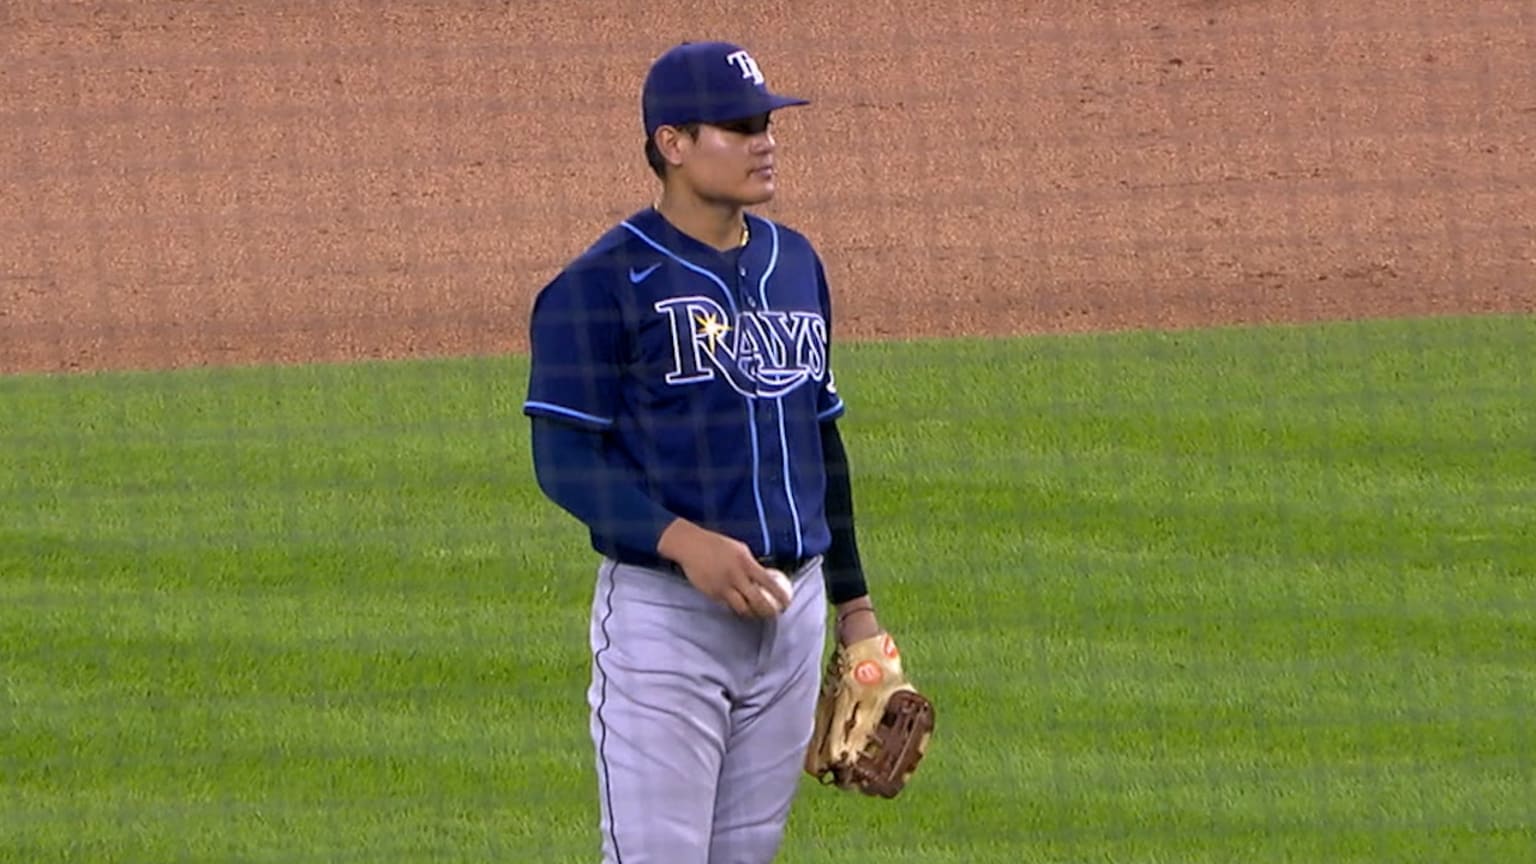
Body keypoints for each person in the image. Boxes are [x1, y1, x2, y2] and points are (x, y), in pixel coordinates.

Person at [523, 40, 885, 864]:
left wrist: (855, 609)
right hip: (667, 624)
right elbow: (562, 458)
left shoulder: (796, 264)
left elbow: (819, 438)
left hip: (793, 616)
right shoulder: (601, 284)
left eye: (765, 122)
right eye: (738, 125)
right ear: (672, 144)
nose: (765, 141)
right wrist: (687, 544)